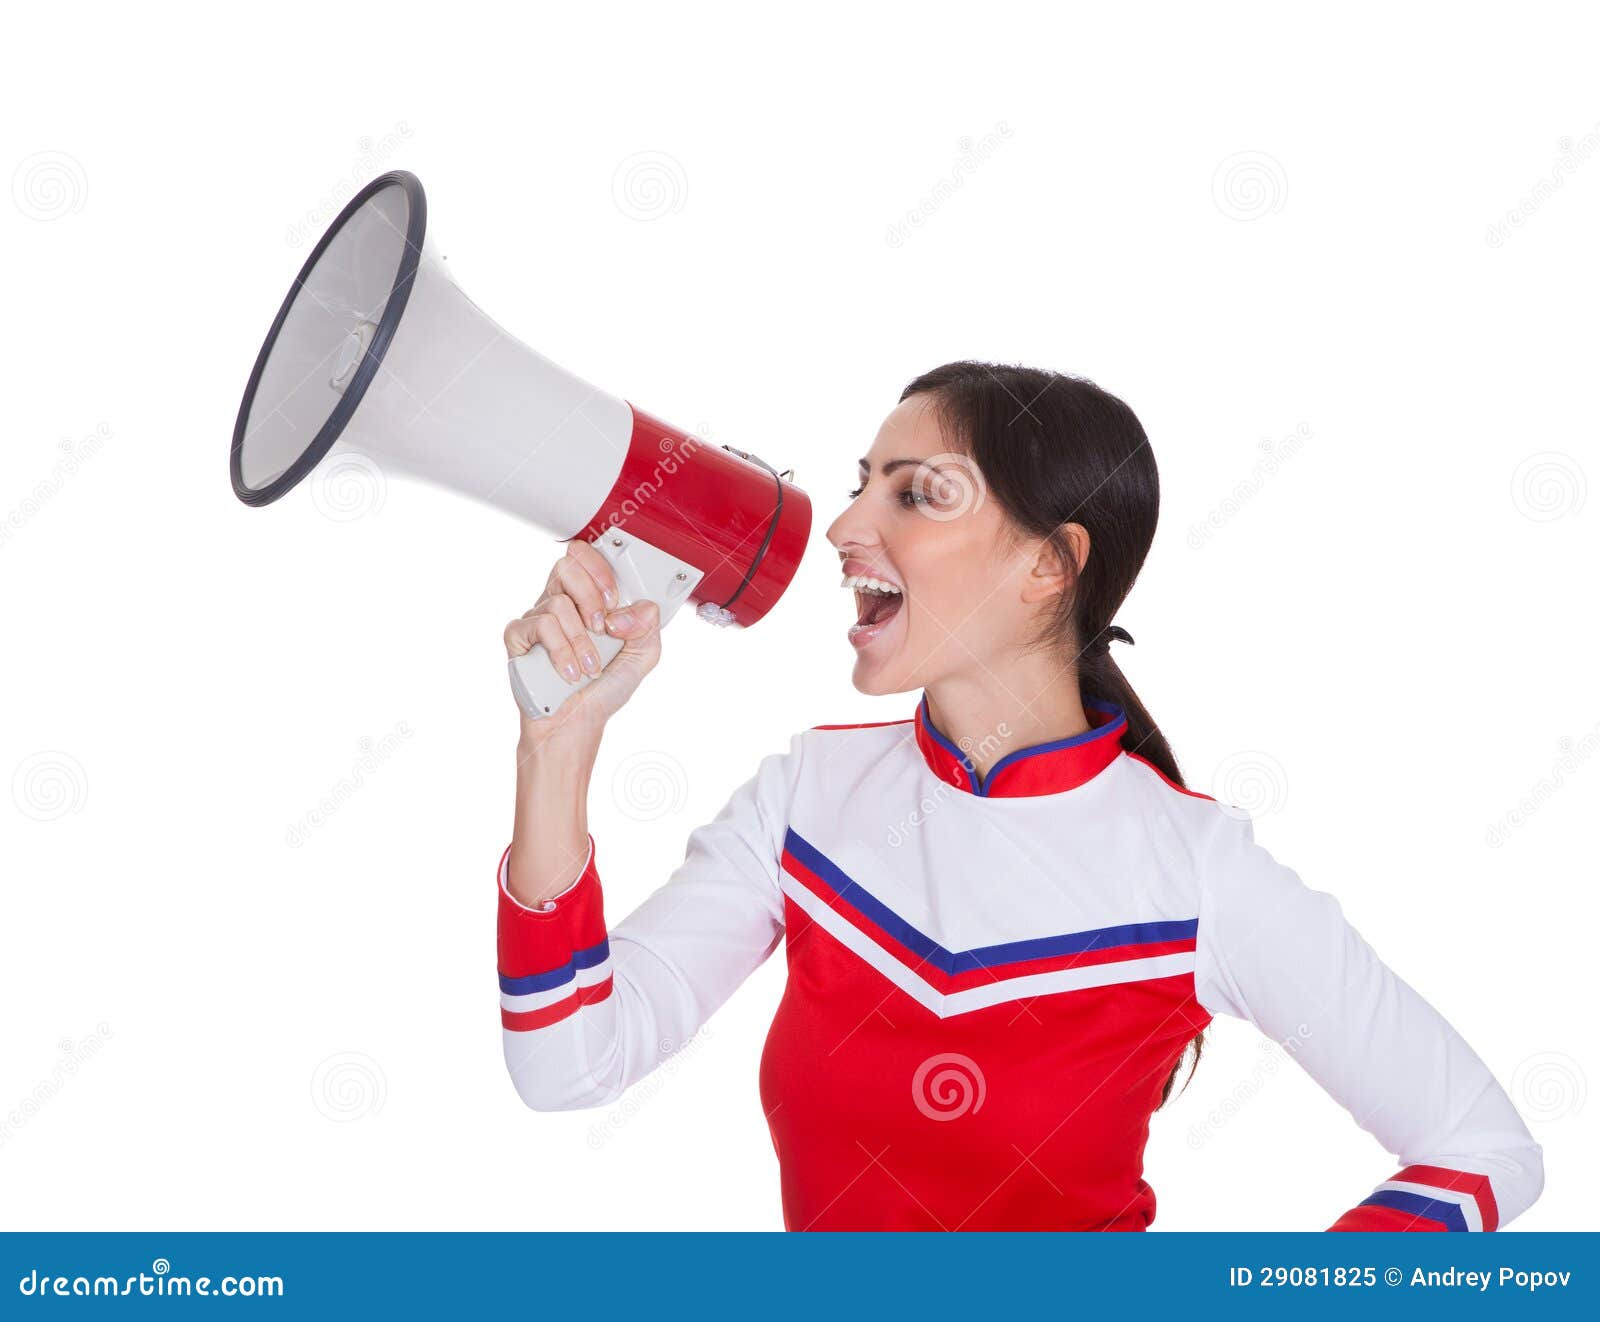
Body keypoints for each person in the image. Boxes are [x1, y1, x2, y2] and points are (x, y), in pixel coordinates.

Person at [494, 361, 1544, 1232]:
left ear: (1049, 564)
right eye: (863, 482)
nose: (845, 523)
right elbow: (568, 1062)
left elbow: (1481, 1150)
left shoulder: (1194, 871)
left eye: (915, 491)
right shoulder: (805, 796)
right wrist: (559, 742)